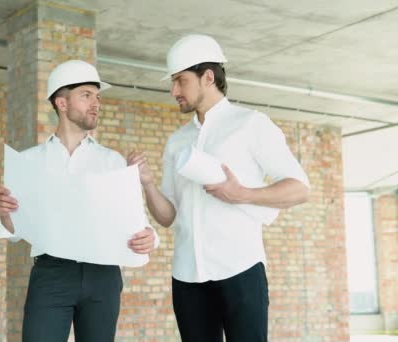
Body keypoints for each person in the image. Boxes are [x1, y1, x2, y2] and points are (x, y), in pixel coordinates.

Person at [127, 34, 310, 342]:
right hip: (187, 276)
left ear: (208, 77)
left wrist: (242, 194)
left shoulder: (251, 124)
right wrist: (147, 183)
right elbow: (168, 215)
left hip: (240, 270)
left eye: (180, 81)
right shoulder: (177, 142)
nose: (173, 91)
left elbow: (300, 189)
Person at [0, 60, 159, 342]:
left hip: (103, 276)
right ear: (62, 102)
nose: (96, 103)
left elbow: (139, 224)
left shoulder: (112, 161)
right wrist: (4, 212)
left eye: (97, 97)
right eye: (86, 95)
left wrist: (150, 238)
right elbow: (14, 232)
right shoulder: (30, 161)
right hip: (51, 274)